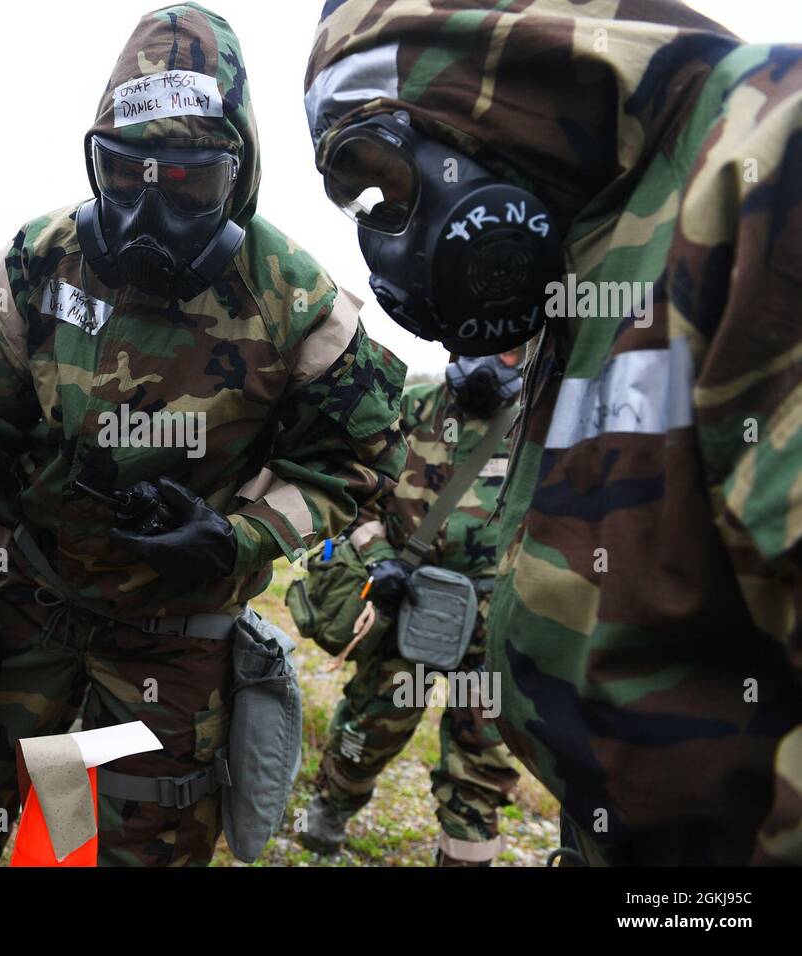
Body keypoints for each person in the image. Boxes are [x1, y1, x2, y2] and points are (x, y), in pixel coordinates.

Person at [0, 2, 406, 867]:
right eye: (126, 174)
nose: (147, 215)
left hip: (174, 629)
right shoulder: (36, 266)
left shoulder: (296, 304)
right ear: (95, 162)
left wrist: (236, 537)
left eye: (187, 187)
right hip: (33, 596)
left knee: (137, 830)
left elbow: (351, 464)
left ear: (237, 175)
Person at [304, 0, 802, 865]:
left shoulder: (763, 176)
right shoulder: (593, 263)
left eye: (384, 175)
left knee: (474, 766)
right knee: (371, 726)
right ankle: (331, 815)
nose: (387, 237)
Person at [300, 351, 523, 866]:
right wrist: (381, 559)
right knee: (372, 729)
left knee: (483, 760)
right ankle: (329, 812)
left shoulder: (539, 426)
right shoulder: (408, 410)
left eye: (510, 348)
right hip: (408, 604)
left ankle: (466, 856)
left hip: (496, 623)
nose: (493, 359)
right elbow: (354, 492)